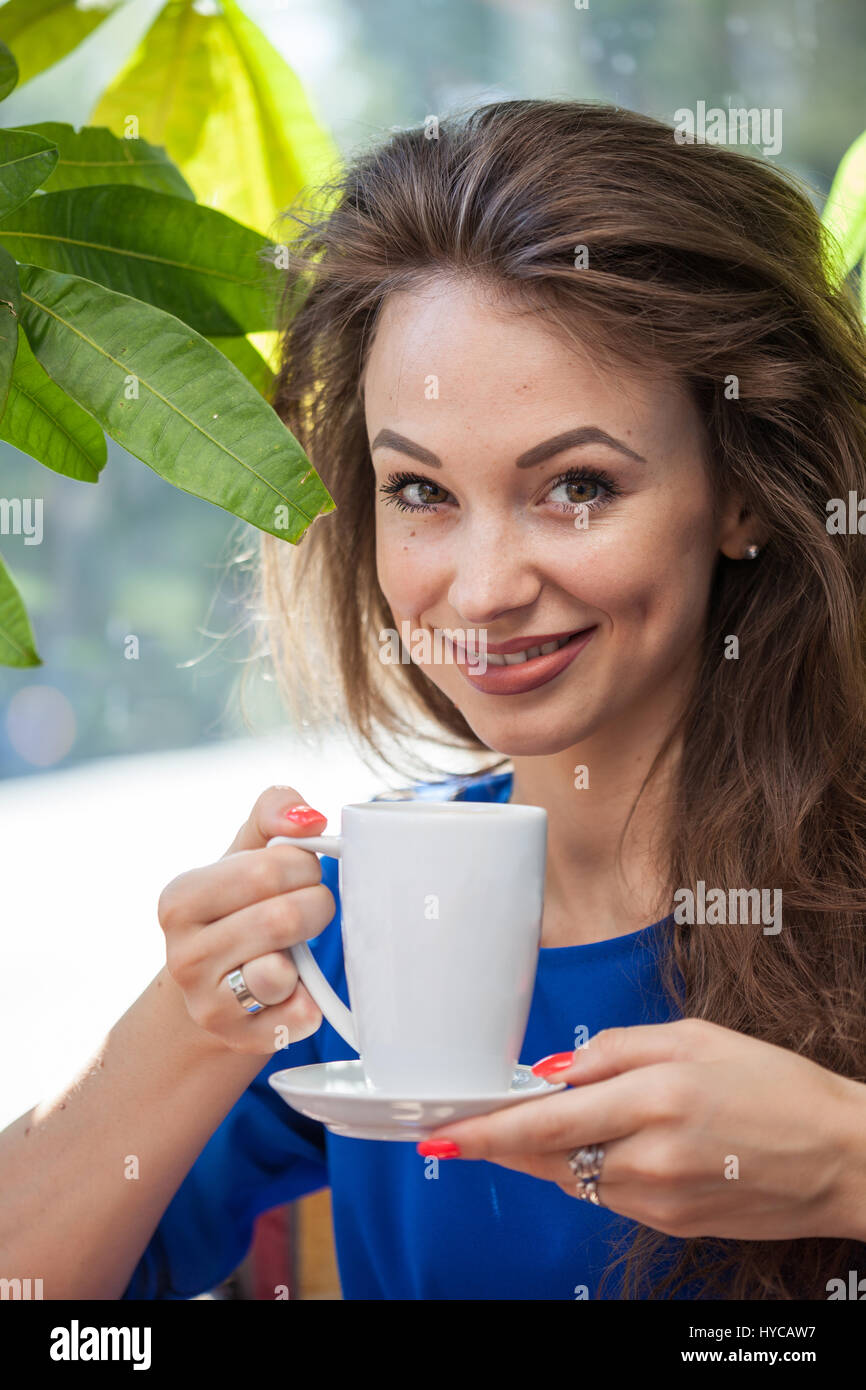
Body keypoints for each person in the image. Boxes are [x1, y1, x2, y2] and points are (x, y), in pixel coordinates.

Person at [2, 99, 866, 1301]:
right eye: (419, 490)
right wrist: (191, 1020)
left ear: (740, 493)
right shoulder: (348, 945)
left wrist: (842, 1159)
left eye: (574, 483)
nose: (480, 586)